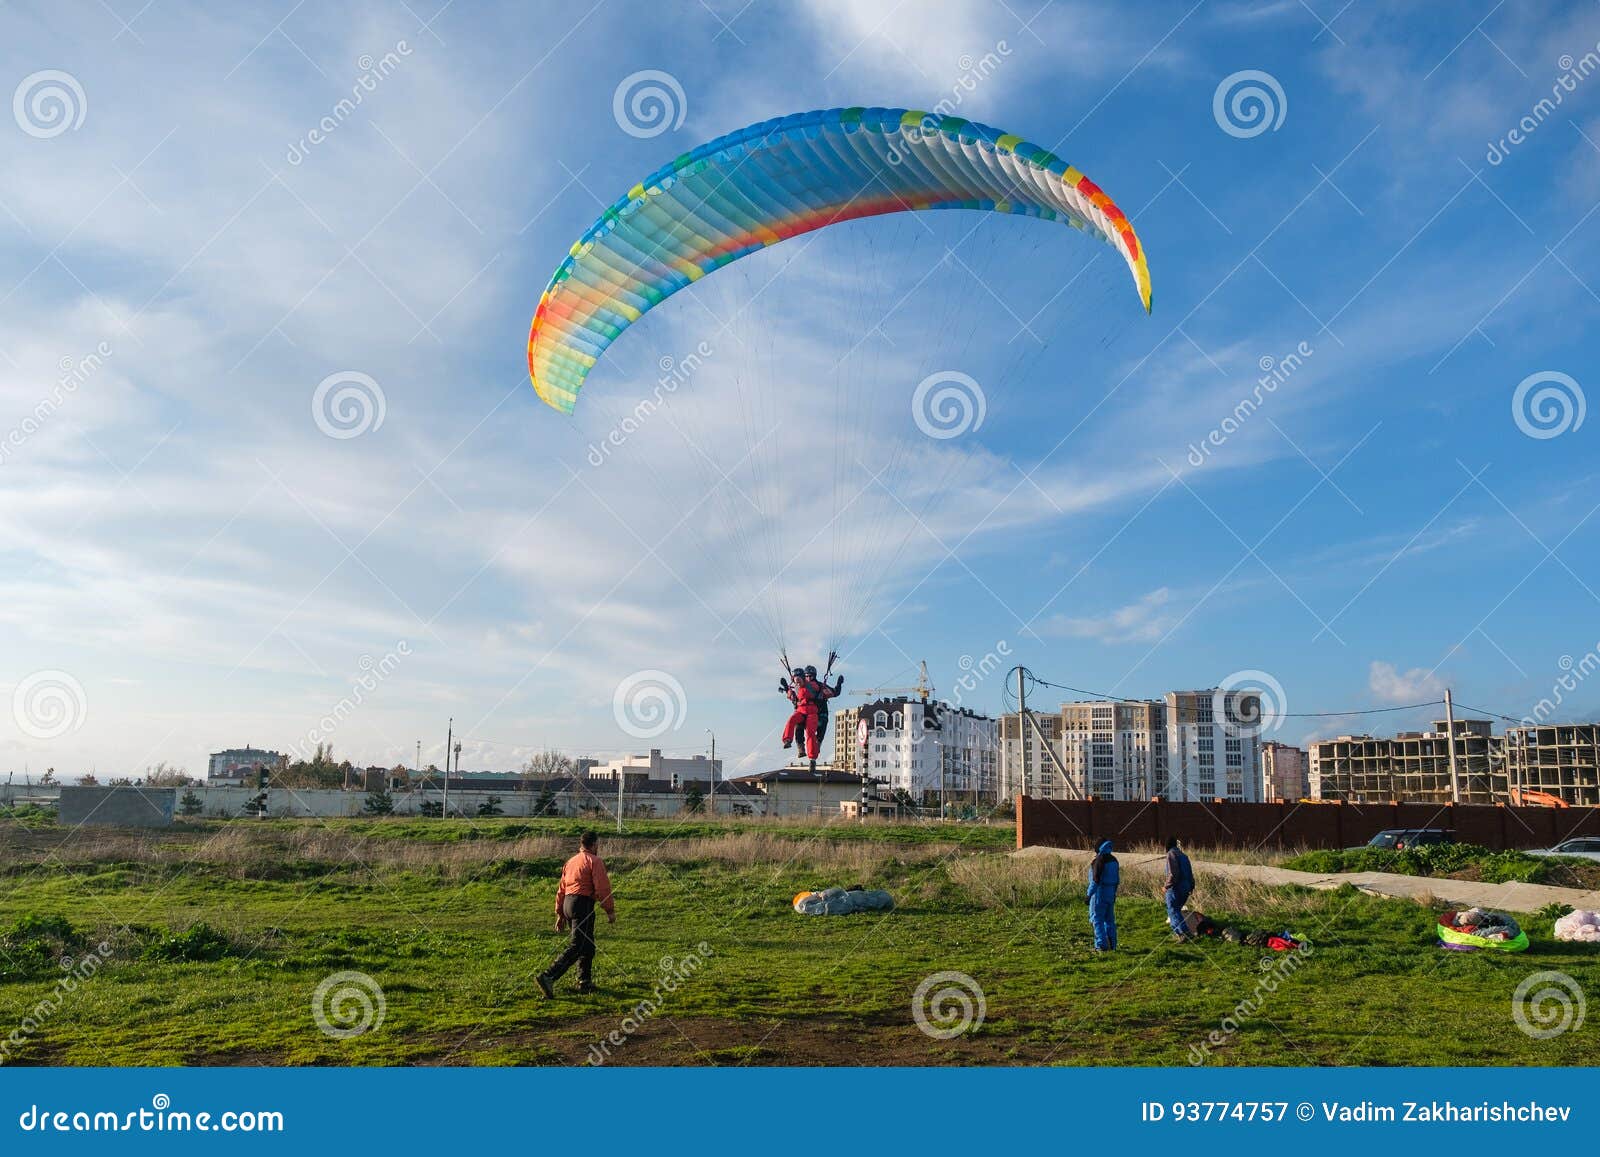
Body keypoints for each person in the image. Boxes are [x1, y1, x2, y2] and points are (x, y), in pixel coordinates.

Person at [536, 830, 615, 997]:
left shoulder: (571, 862)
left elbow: (561, 889)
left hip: (568, 903)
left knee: (588, 944)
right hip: (582, 904)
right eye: (597, 844)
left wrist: (560, 914)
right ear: (594, 844)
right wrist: (609, 910)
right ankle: (548, 976)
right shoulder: (594, 861)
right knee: (577, 945)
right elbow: (602, 888)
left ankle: (584, 981)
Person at [1086, 838, 1119, 952]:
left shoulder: (1099, 860)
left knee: (1097, 919)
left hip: (1099, 894)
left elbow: (1095, 880)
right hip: (1111, 893)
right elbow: (1117, 880)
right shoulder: (1114, 860)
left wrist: (1089, 895)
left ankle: (1101, 946)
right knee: (1109, 920)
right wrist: (1114, 893)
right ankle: (1112, 944)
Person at [1163, 835, 1195, 940]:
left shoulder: (1171, 854)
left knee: (1173, 911)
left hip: (1175, 888)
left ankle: (1183, 933)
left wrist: (1166, 886)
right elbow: (1190, 874)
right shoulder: (1184, 855)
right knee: (1176, 911)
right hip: (1186, 888)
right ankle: (1182, 933)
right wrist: (1191, 886)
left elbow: (1173, 874)